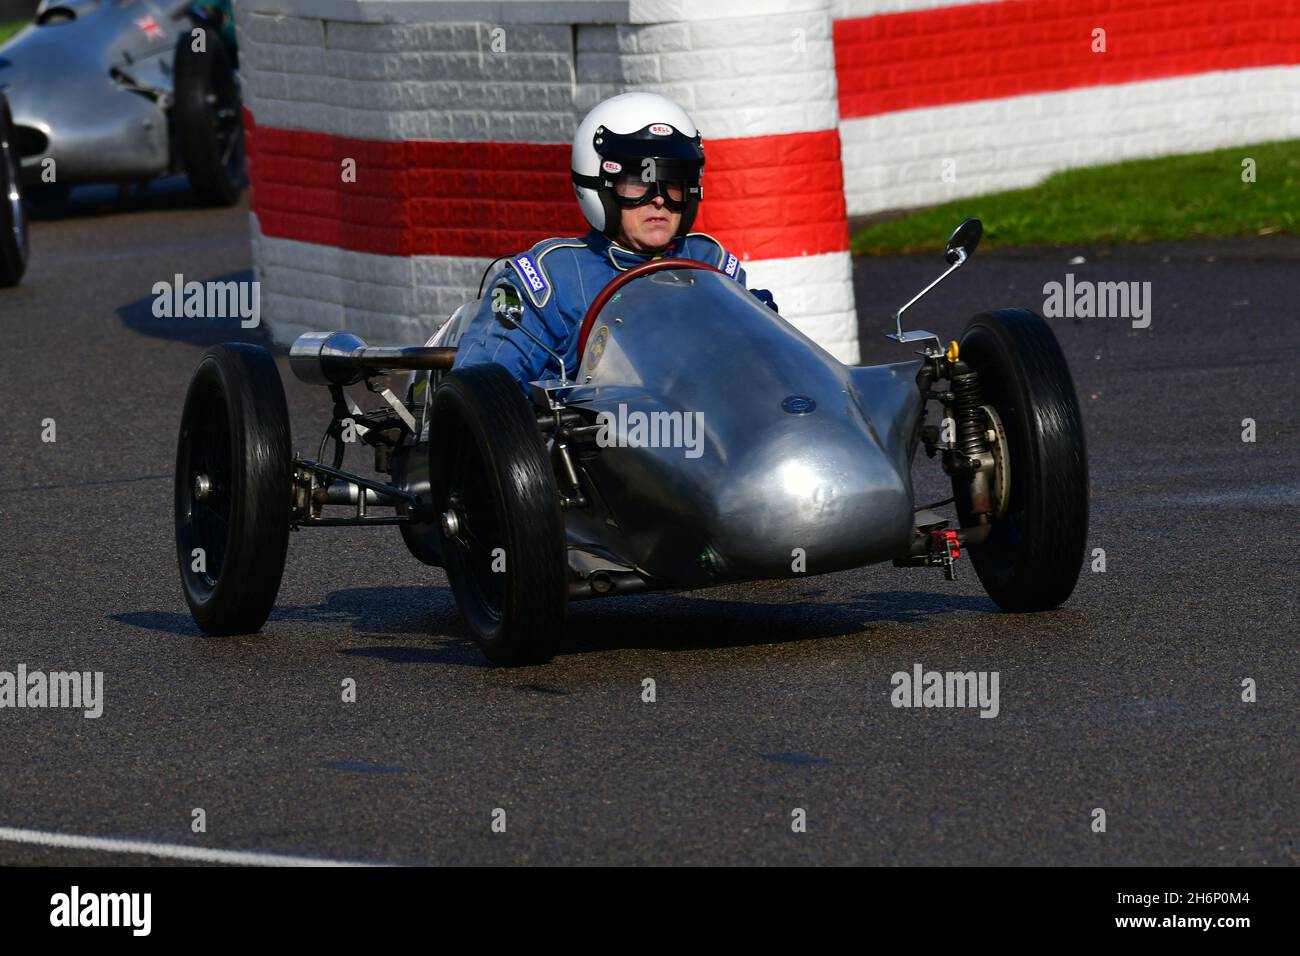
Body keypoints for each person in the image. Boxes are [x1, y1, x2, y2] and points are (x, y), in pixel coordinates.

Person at [452, 91, 777, 389]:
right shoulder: (548, 280)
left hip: (709, 444)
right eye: (638, 184)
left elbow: (768, 369)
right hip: (591, 448)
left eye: (672, 183)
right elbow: (481, 392)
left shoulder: (713, 265)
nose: (659, 200)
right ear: (599, 187)